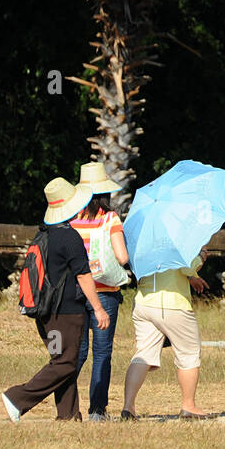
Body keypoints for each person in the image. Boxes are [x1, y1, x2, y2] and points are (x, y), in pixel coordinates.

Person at [3, 178, 112, 422]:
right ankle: (17, 398)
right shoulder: (70, 238)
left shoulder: (43, 235)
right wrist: (98, 309)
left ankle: (69, 416)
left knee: (61, 361)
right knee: (67, 364)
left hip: (44, 313)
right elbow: (84, 276)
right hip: (66, 314)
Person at [121, 248, 214, 420]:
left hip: (144, 302)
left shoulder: (142, 241)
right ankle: (189, 406)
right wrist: (201, 256)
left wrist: (190, 277)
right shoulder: (175, 239)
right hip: (172, 303)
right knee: (189, 353)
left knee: (144, 354)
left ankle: (128, 407)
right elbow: (187, 267)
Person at [72, 161, 130, 421]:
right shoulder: (111, 218)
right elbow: (122, 257)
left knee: (78, 352)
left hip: (76, 292)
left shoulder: (72, 218)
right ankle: (97, 410)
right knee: (102, 354)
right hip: (105, 293)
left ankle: (68, 406)